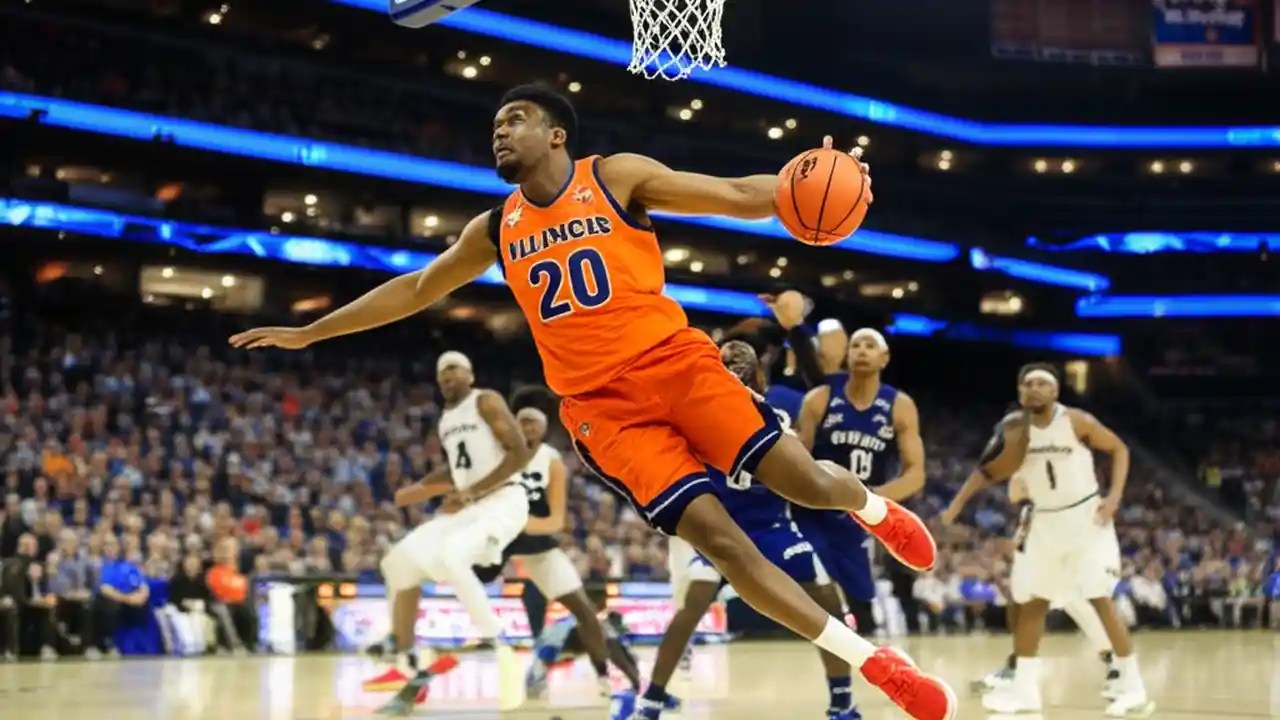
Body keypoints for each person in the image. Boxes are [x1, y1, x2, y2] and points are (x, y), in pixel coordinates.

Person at [230, 83, 952, 720]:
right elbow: (418, 287)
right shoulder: (496, 227)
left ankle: (874, 510)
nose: (499, 132)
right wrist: (311, 331)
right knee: (725, 545)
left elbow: (736, 194)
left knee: (808, 483)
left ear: (556, 134)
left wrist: (808, 180)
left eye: (514, 120)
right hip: (603, 410)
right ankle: (873, 664)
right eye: (495, 125)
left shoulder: (614, 177)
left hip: (676, 364)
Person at [616, 339, 855, 720]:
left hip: (772, 526)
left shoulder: (776, 412)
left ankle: (842, 700)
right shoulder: (692, 414)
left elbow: (799, 466)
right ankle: (652, 700)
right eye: (726, 360)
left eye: (742, 359)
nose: (735, 364)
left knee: (827, 597)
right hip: (722, 529)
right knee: (692, 603)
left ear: (758, 373)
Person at [940, 363, 1153, 717]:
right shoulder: (1012, 429)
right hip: (1044, 523)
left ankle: (1133, 686)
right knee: (1033, 604)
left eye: (1042, 383)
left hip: (1086, 520)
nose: (1034, 388)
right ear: (1020, 392)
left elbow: (1119, 449)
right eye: (1028, 384)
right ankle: (1025, 692)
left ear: (1055, 391)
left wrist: (1114, 497)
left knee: (1099, 599)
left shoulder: (1076, 421)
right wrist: (954, 507)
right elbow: (985, 472)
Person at [368, 351, 532, 714]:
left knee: (453, 556)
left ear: (470, 375)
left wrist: (477, 489)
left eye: (454, 368)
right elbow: (457, 469)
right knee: (397, 562)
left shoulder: (485, 401)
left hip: (505, 500)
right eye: (442, 371)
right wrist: (420, 488)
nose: (447, 375)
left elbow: (519, 451)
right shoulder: (446, 420)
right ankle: (405, 662)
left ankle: (500, 643)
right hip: (474, 506)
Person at [470, 403, 643, 698]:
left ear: (544, 430)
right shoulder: (497, 454)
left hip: (537, 548)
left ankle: (608, 675)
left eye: (533, 423)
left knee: (585, 612)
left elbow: (556, 521)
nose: (527, 427)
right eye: (522, 421)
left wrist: (518, 522)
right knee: (453, 570)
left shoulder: (551, 460)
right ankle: (404, 649)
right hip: (500, 543)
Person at [946, 474, 1118, 699]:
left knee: (1077, 603)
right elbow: (1022, 545)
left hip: (1085, 567)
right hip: (1052, 571)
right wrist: (1003, 550)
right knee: (1033, 606)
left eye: (1019, 482)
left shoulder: (1070, 502)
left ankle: (1116, 664)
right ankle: (1017, 668)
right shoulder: (1031, 511)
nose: (1013, 486)